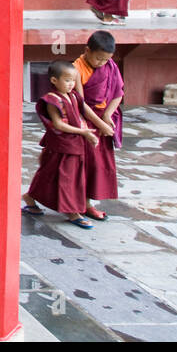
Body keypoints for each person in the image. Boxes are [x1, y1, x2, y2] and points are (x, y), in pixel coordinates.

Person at [22, 61, 114, 229]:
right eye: (67, 80)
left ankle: (29, 197)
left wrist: (100, 126)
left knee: (50, 176)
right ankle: (73, 212)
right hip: (61, 144)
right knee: (68, 179)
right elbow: (58, 124)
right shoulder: (52, 100)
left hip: (73, 143)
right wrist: (84, 133)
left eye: (73, 80)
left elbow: (83, 113)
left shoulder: (73, 96)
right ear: (54, 80)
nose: (71, 84)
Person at [73, 31, 123, 219]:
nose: (102, 63)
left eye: (105, 60)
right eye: (98, 59)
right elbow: (80, 103)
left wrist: (109, 115)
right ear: (87, 50)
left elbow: (118, 92)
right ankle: (79, 204)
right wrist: (99, 124)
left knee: (100, 166)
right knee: (85, 165)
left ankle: (88, 203)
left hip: (103, 119)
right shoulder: (76, 69)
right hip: (86, 122)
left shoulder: (111, 66)